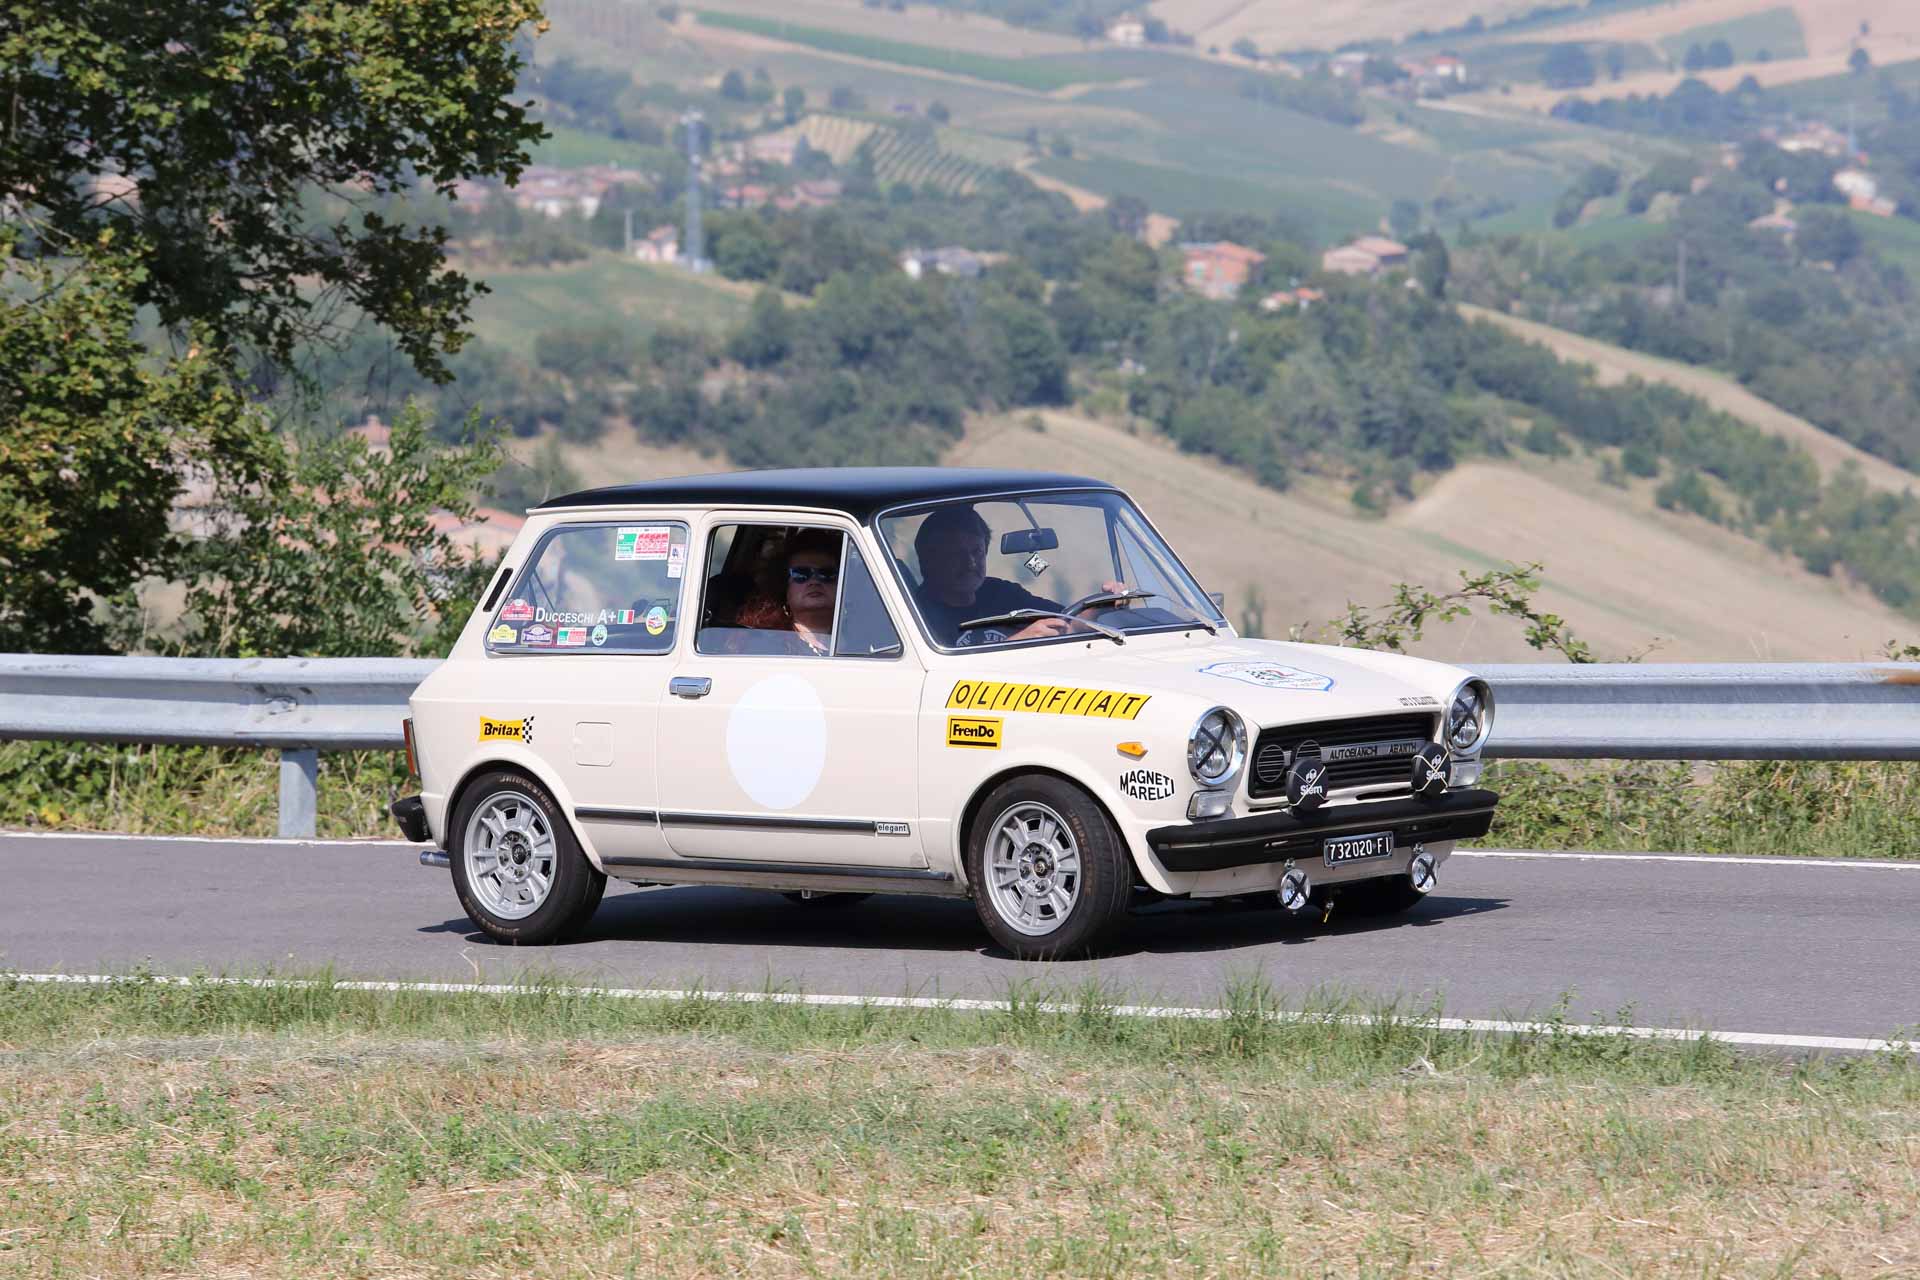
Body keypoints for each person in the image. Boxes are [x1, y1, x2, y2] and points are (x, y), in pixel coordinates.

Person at [911, 505, 1122, 646]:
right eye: (955, 554)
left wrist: (1102, 606)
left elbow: (1067, 622)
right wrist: (1019, 641)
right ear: (929, 560)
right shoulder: (917, 614)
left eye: (976, 551)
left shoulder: (1000, 592)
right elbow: (943, 675)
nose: (970, 563)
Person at [726, 528, 839, 656]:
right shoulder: (763, 645)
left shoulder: (862, 641)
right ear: (784, 587)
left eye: (826, 574)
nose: (814, 581)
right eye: (801, 574)